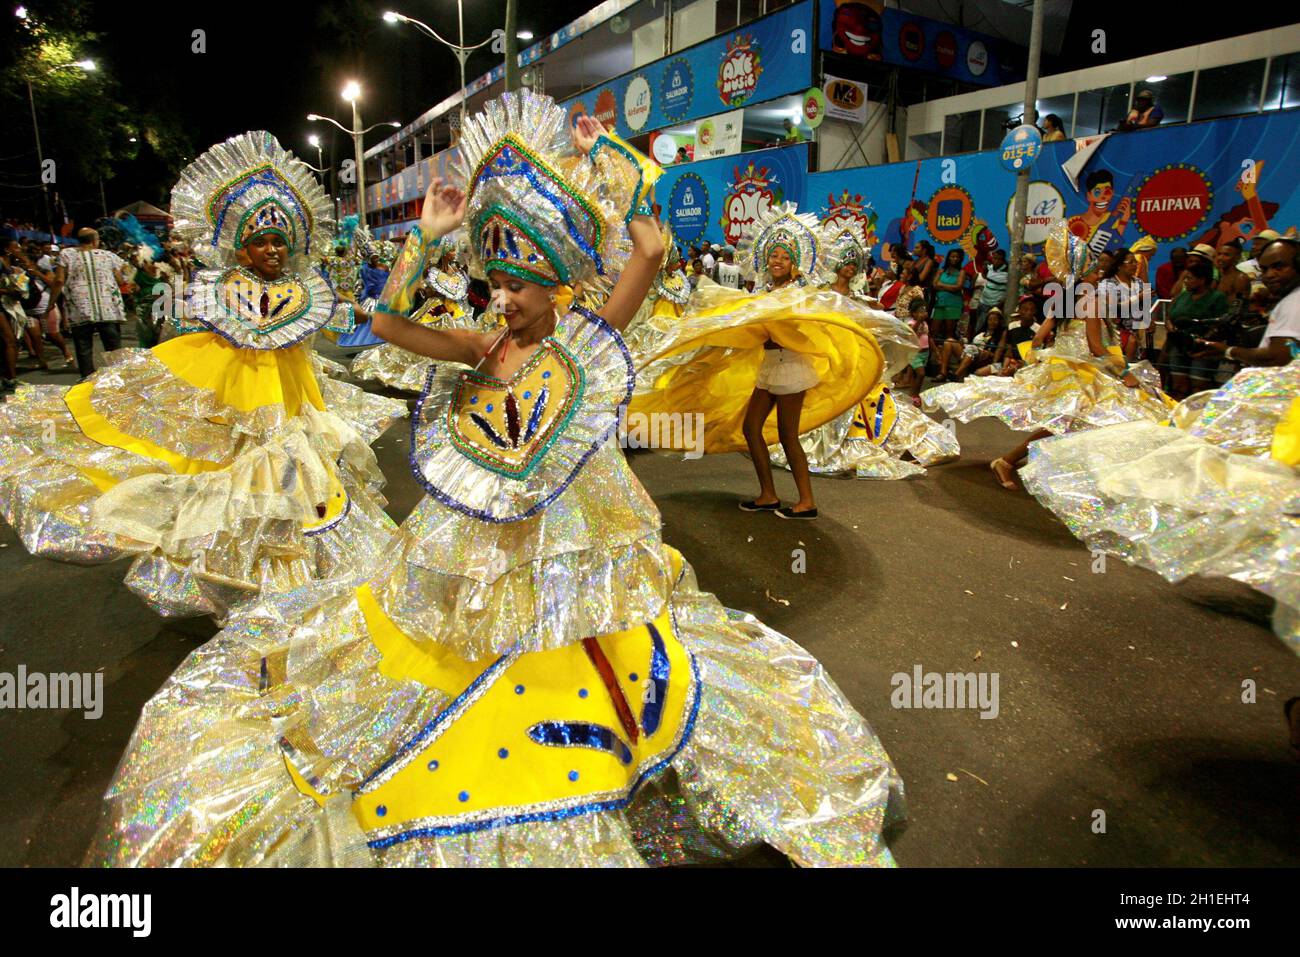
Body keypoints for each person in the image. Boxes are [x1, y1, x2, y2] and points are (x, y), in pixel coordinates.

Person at [88, 92, 904, 868]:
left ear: (558, 282)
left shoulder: (583, 342)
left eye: (518, 284)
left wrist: (614, 179)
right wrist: (427, 234)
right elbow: (386, 325)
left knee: (580, 651)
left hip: (567, 544)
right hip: (475, 551)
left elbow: (649, 255)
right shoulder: (482, 347)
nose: (504, 298)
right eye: (498, 282)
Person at [0, 131, 405, 621]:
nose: (272, 250)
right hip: (237, 415)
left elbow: (362, 320)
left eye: (279, 240)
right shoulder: (218, 290)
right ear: (240, 249)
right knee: (240, 504)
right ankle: (254, 594)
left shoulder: (311, 291)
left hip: (297, 413)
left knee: (299, 502)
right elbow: (198, 337)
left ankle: (294, 591)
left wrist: (406, 267)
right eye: (260, 242)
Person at [631, 202, 914, 515]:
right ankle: (768, 494)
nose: (777, 261)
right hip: (771, 367)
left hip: (792, 369)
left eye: (784, 256)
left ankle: (807, 501)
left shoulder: (799, 292)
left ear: (795, 261)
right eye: (774, 255)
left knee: (787, 435)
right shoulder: (768, 290)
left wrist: (768, 321)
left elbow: (801, 330)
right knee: (752, 428)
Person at [924, 221, 1171, 490]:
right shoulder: (1091, 300)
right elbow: (1096, 346)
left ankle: (1057, 470)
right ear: (1085, 275)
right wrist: (1125, 375)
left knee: (1079, 423)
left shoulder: (1066, 298)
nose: (1100, 276)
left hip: (1066, 367)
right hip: (1080, 371)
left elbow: (1041, 335)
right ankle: (1009, 461)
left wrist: (1035, 357)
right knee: (1073, 422)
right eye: (1095, 272)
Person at [1194, 238, 1300, 368]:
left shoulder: (1294, 301)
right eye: (1264, 269)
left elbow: (1277, 358)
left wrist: (1228, 351)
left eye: (1278, 267)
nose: (1270, 275)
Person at [47, 229, 134, 378]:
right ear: (95, 241)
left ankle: (87, 382)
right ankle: (118, 380)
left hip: (79, 309)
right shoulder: (108, 256)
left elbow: (59, 280)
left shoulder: (66, 254)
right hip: (108, 310)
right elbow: (120, 280)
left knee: (83, 348)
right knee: (113, 349)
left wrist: (51, 303)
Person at [1159, 254, 1229, 397]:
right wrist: (1171, 328)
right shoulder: (1183, 296)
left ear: (1202, 280)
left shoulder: (1217, 298)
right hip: (1178, 345)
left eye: (1189, 278)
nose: (1185, 282)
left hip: (1202, 349)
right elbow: (1170, 316)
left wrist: (1201, 341)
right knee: (1178, 385)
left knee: (1198, 387)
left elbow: (1221, 323)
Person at [937, 306, 1006, 381]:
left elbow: (999, 352)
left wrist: (990, 354)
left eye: (995, 319)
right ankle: (943, 373)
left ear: (999, 321)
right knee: (949, 342)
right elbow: (971, 342)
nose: (992, 322)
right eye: (990, 319)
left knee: (972, 349)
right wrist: (964, 343)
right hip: (969, 353)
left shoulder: (1001, 334)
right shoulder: (982, 330)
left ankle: (957, 375)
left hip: (983, 358)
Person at [930, 249, 968, 349]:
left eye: (957, 257)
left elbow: (957, 287)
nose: (954, 259)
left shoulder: (961, 272)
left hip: (953, 304)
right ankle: (932, 351)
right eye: (952, 256)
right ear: (948, 257)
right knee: (934, 329)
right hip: (940, 303)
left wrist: (941, 285)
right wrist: (950, 287)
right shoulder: (941, 270)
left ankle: (948, 350)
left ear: (960, 259)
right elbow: (934, 285)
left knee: (949, 330)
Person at [972, 248, 1009, 339]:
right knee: (976, 324)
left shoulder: (1007, 273)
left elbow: (1008, 291)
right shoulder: (990, 268)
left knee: (981, 327)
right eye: (994, 258)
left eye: (998, 259)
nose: (996, 261)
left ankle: (976, 345)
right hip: (982, 301)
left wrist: (999, 304)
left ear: (1003, 260)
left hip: (993, 304)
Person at [1215, 242, 1251, 308]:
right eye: (1219, 254)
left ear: (1237, 257)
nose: (1220, 258)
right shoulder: (1216, 276)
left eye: (1226, 255)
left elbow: (1237, 308)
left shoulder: (1241, 278)